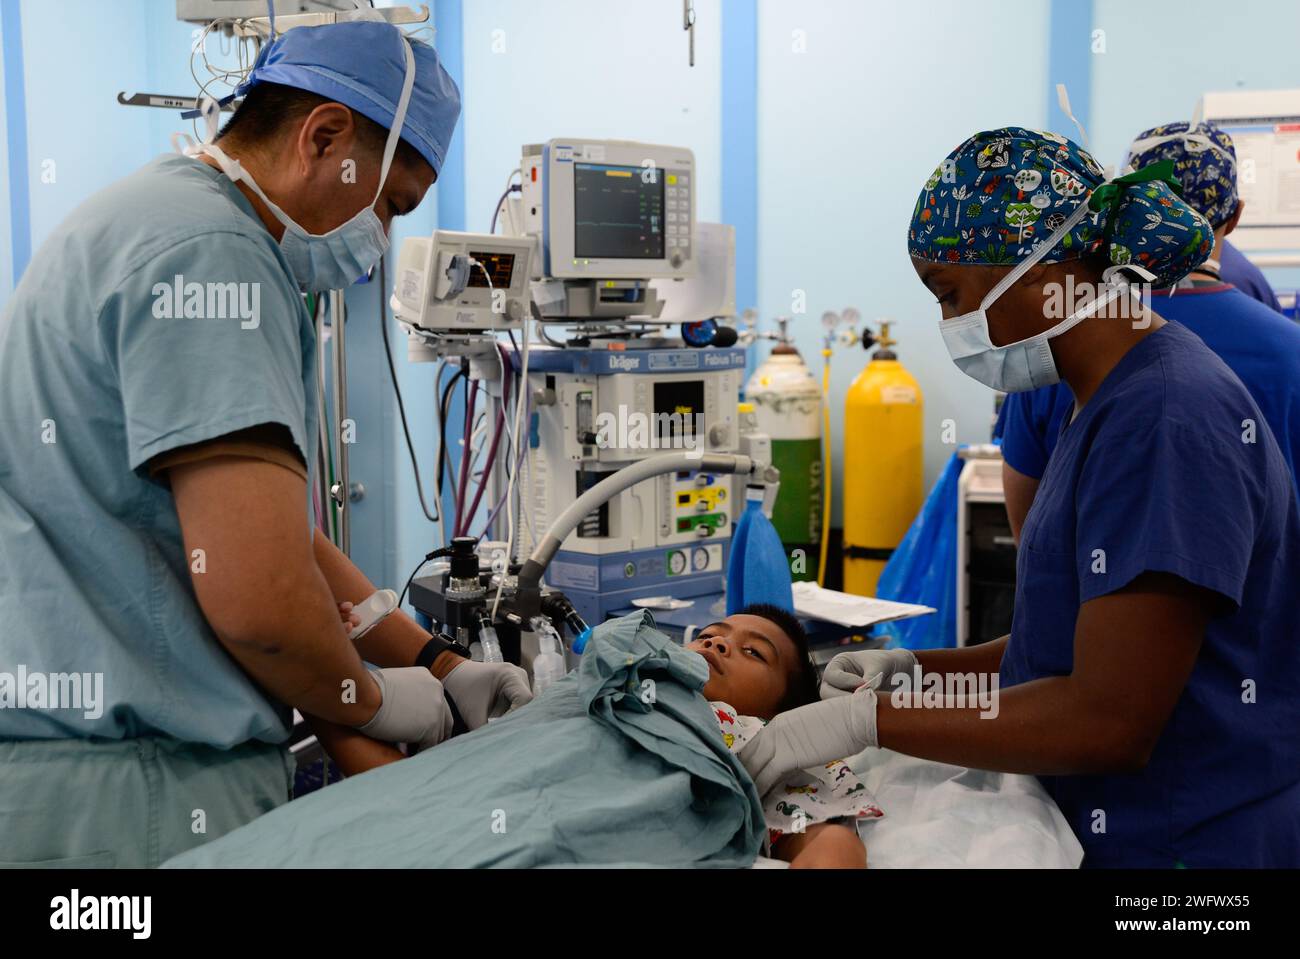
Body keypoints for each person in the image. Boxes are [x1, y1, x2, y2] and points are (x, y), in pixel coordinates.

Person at [0, 20, 529, 869]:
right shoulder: (217, 258)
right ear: (324, 137)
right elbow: (260, 601)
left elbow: (277, 545)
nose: (381, 243)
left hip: (72, 781)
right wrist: (371, 700)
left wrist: (433, 661)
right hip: (143, 793)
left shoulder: (145, 218)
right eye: (391, 205)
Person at [740, 127, 1300, 867]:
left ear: (1042, 270)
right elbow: (1067, 642)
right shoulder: (1100, 396)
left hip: (1186, 849)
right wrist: (918, 674)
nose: (949, 326)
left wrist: (874, 721)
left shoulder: (1164, 418)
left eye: (949, 293)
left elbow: (1107, 719)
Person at [166, 607, 870, 869]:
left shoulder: (760, 746)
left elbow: (827, 842)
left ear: (784, 705)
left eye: (754, 653)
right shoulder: (594, 683)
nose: (720, 642)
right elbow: (440, 788)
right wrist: (330, 697)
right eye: (717, 630)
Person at [999, 121, 1300, 540]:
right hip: (1259, 604)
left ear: (1122, 209)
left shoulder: (1065, 333)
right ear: (1234, 217)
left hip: (1085, 599)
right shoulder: (1289, 350)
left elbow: (1029, 531)